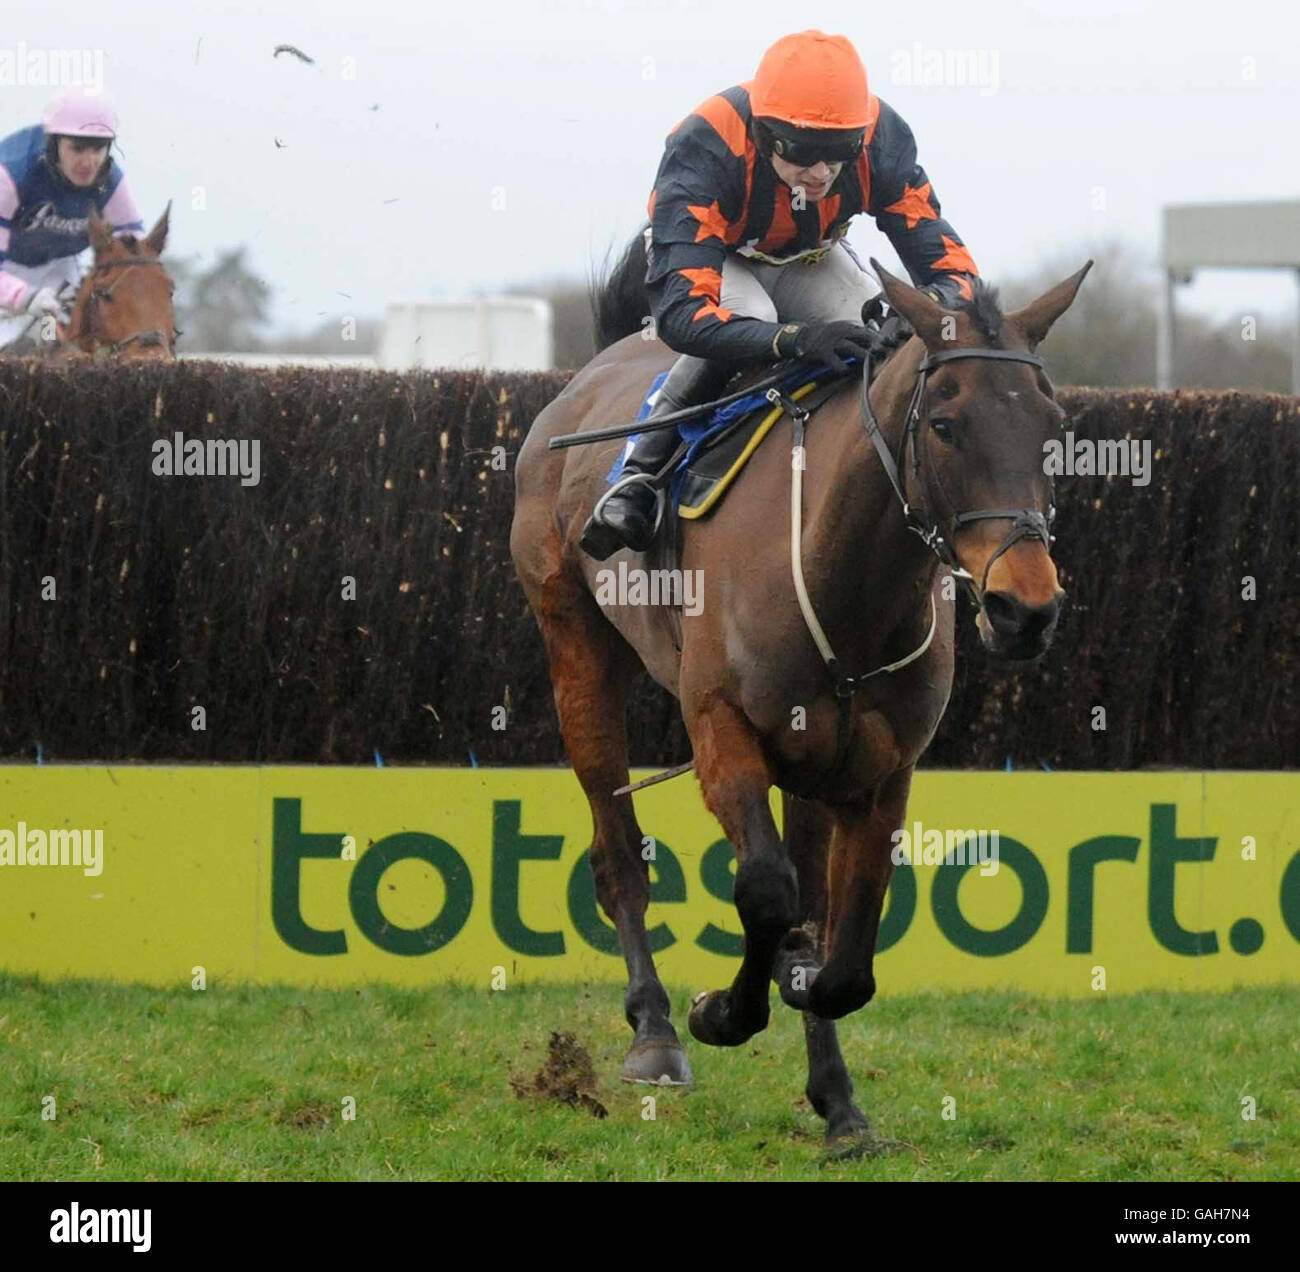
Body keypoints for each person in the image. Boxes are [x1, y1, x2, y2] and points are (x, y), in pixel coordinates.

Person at [581, 29, 980, 559]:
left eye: (839, 153)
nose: (820, 173)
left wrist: (913, 317)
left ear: (861, 134)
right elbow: (685, 319)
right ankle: (638, 474)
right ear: (764, 132)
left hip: (806, 255)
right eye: (801, 151)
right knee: (755, 315)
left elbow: (956, 274)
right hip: (715, 254)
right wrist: (795, 340)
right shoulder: (706, 144)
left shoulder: (883, 138)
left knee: (875, 337)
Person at [0, 87, 145, 351]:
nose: (89, 162)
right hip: (6, 270)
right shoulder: (11, 173)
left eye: (98, 149)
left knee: (55, 347)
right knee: (11, 350)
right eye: (77, 149)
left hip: (59, 270)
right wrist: (24, 296)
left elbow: (135, 250)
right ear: (54, 145)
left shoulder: (111, 182)